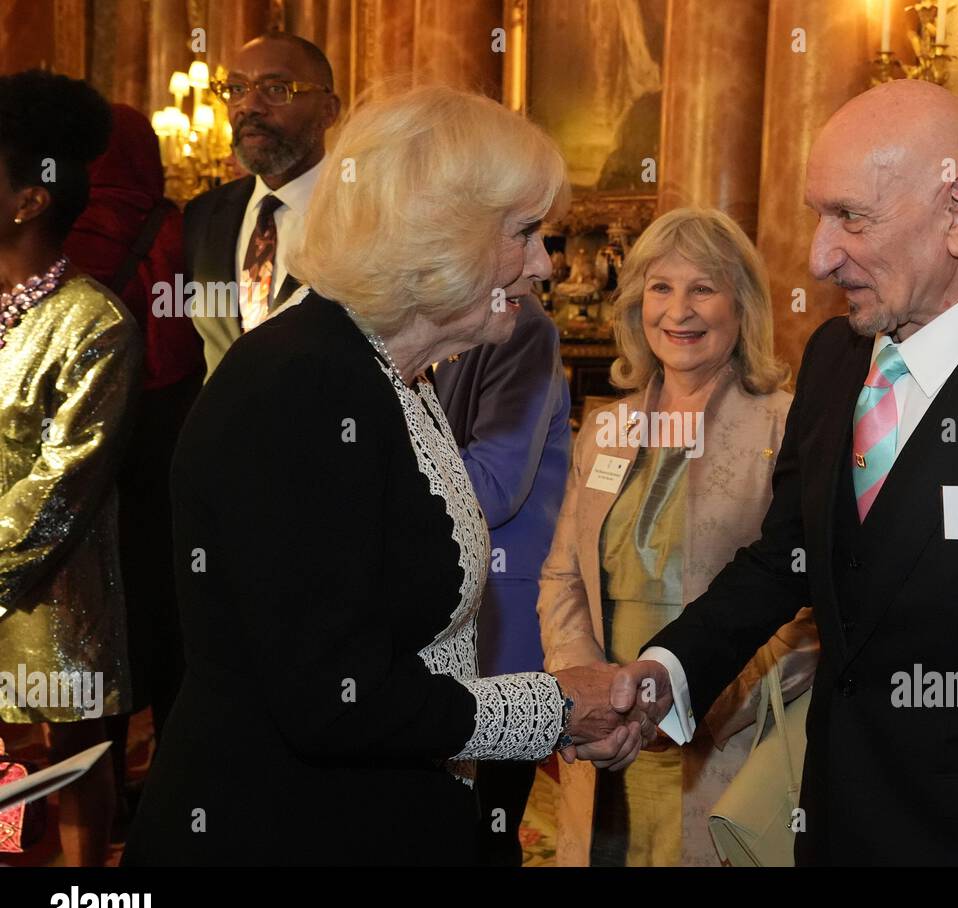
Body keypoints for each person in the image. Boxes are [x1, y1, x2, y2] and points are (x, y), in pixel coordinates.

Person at [614, 80, 958, 865]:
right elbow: (787, 560)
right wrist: (664, 674)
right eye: (818, 214)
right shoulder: (832, 359)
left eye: (850, 217)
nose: (818, 256)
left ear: (957, 211)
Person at [124, 84, 649, 866]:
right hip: (278, 829)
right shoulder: (299, 383)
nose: (543, 264)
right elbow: (332, 699)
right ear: (438, 233)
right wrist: (550, 707)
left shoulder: (393, 374)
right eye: (525, 234)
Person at [540, 207, 819, 866]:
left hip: (724, 750)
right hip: (605, 748)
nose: (679, 310)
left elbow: (805, 604)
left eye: (703, 287)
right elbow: (562, 581)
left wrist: (684, 698)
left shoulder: (786, 427)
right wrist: (591, 700)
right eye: (661, 288)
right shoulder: (608, 425)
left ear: (742, 306)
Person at [0, 71, 142, 866]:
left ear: (30, 200)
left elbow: (61, 489)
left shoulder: (94, 323)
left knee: (65, 766)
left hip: (50, 601)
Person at [65, 103, 203, 788]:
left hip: (90, 449)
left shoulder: (60, 233)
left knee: (97, 616)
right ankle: (175, 780)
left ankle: (102, 778)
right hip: (170, 437)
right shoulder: (183, 231)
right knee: (168, 606)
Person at [430, 294, 572, 866]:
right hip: (442, 619)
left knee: (484, 833)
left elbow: (493, 484)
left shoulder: (523, 325)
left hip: (501, 623)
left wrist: (376, 465)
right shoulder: (422, 318)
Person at [185, 31, 340, 379]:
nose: (249, 106)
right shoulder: (203, 215)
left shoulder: (365, 213)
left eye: (276, 89)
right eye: (236, 89)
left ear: (329, 110)